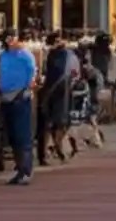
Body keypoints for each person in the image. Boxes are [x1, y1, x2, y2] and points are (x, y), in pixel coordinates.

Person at [0, 29, 37, 186]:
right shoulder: (4, 56)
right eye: (7, 39)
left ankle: (25, 170)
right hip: (6, 97)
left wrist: (25, 90)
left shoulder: (25, 55)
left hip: (20, 97)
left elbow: (32, 74)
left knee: (22, 135)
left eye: (12, 38)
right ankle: (20, 168)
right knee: (13, 136)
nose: (10, 42)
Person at [38, 32, 74, 164]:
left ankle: (49, 153)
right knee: (57, 123)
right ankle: (56, 151)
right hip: (59, 91)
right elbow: (65, 73)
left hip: (53, 91)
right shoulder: (63, 54)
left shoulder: (56, 54)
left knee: (50, 123)